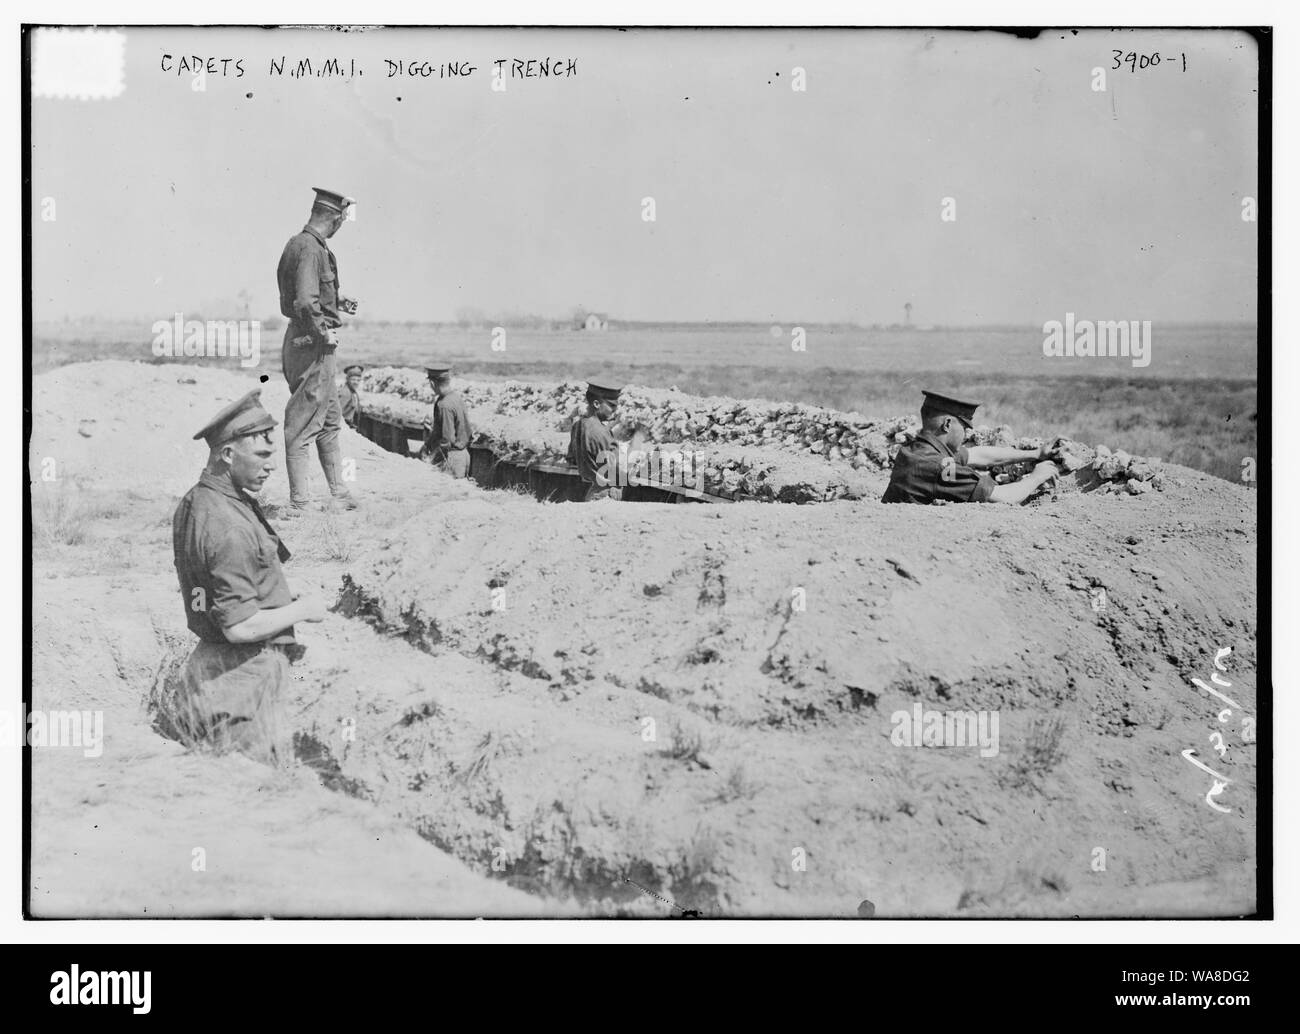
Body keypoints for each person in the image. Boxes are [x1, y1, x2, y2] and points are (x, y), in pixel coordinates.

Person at [170, 390, 328, 765]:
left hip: (209, 673)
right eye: (261, 455)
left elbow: (220, 586)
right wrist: (303, 609)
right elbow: (240, 628)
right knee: (256, 785)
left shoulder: (200, 501)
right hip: (242, 682)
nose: (270, 466)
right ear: (227, 454)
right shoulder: (227, 525)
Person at [277, 186, 359, 515]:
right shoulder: (311, 249)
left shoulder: (300, 244)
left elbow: (306, 291)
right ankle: (300, 503)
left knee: (329, 420)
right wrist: (324, 331)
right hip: (312, 345)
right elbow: (305, 302)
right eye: (342, 220)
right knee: (301, 423)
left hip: (310, 344)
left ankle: (338, 492)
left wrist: (337, 301)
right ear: (335, 219)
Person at [881, 390, 1063, 505]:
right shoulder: (938, 467)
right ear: (947, 424)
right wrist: (1037, 477)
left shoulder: (918, 450)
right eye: (965, 427)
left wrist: (1036, 453)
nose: (967, 433)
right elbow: (1004, 498)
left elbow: (978, 455)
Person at [567, 378, 623, 501]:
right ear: (597, 404)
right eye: (612, 406)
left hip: (593, 492)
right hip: (607, 494)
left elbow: (571, 458)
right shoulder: (602, 432)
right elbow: (617, 468)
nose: (614, 410)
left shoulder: (578, 425)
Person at [418, 364, 473, 478]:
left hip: (451, 458)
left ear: (432, 383)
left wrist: (431, 458)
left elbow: (447, 441)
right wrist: (427, 444)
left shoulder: (444, 405)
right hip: (463, 455)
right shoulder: (456, 397)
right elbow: (439, 429)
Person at [340, 363, 364, 430]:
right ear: (348, 379)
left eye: (358, 380)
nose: (356, 382)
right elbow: (337, 415)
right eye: (353, 379)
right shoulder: (345, 393)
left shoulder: (351, 391)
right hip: (342, 428)